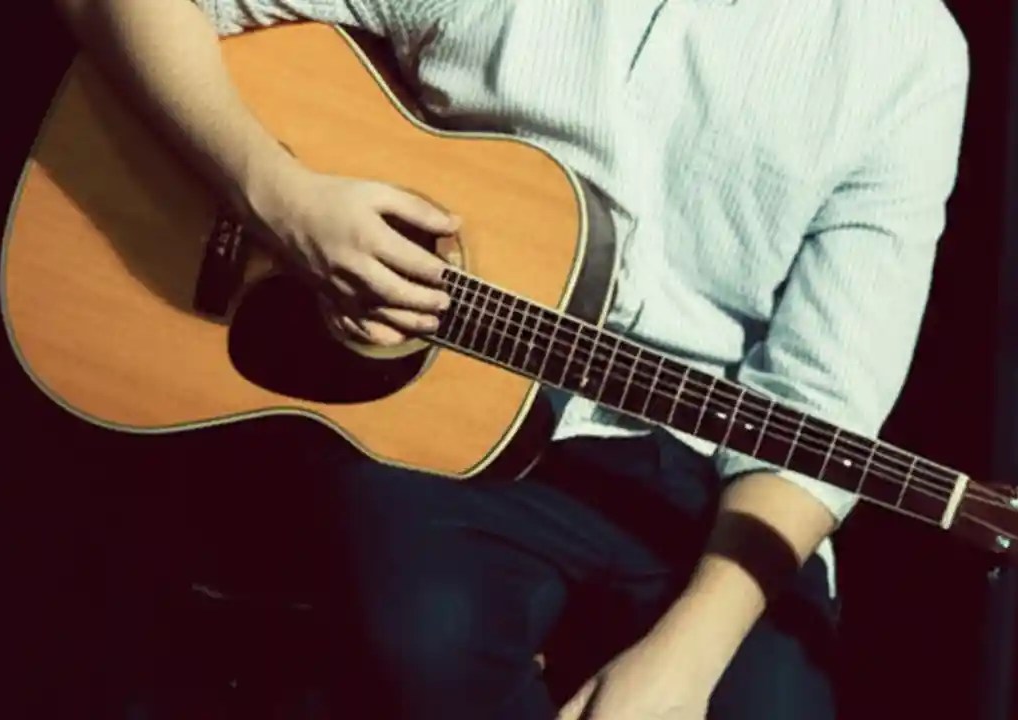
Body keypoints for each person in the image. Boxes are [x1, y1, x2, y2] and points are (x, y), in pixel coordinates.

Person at [53, 1, 970, 718]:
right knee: (423, 638)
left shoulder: (909, 55)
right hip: (435, 427)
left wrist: (682, 660)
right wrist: (279, 198)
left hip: (704, 478)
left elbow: (822, 400)